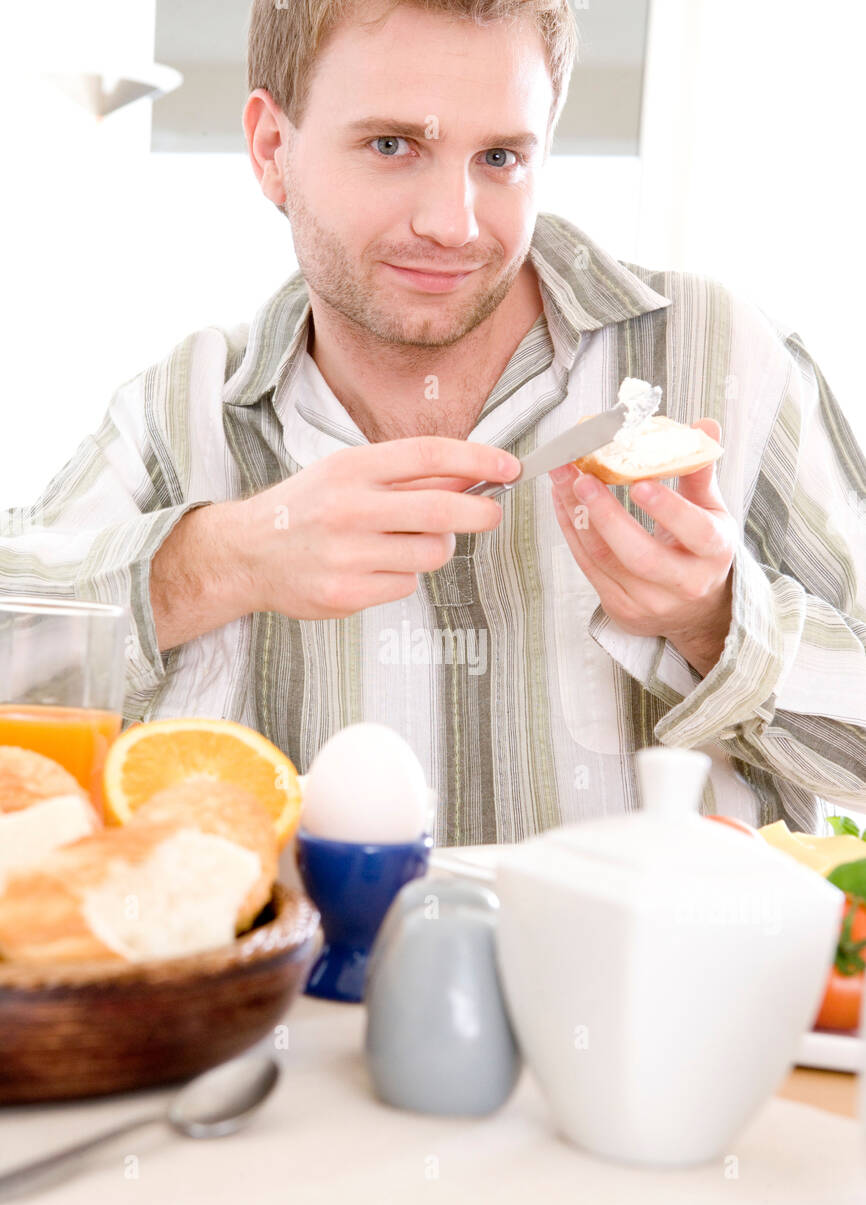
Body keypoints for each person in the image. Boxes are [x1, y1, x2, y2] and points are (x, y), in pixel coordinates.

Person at [2, 0, 865, 846]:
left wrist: (720, 625)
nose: (452, 224)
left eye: (500, 157)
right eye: (392, 145)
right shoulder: (180, 412)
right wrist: (219, 561)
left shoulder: (722, 357)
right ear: (273, 149)